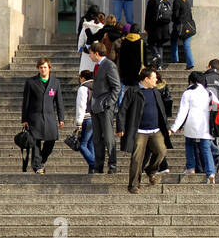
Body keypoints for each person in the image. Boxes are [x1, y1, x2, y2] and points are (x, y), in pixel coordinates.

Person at [117, 66, 170, 192]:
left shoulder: (155, 92)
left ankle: (151, 170)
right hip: (139, 130)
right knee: (137, 158)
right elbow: (122, 109)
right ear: (146, 79)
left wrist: (166, 127)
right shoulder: (133, 91)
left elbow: (162, 112)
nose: (156, 81)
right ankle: (134, 184)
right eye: (154, 78)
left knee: (161, 151)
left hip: (155, 130)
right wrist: (121, 127)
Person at [171, 70, 218, 184]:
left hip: (191, 124)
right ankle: (211, 173)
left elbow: (182, 113)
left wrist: (174, 127)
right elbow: (216, 108)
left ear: (191, 81)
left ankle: (191, 168)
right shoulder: (210, 92)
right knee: (206, 148)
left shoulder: (188, 93)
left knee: (189, 144)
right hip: (205, 125)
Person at [21, 58, 65, 175]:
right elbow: (26, 102)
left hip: (49, 117)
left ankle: (41, 161)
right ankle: (37, 166)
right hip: (35, 117)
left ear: (49, 68)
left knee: (51, 141)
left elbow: (59, 101)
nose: (43, 69)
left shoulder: (55, 82)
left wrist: (61, 118)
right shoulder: (31, 82)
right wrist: (24, 119)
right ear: (38, 69)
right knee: (35, 142)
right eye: (41, 67)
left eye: (45, 67)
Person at [88, 42, 121, 175]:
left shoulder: (109, 65)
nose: (89, 55)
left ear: (96, 53)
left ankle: (112, 165)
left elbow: (116, 87)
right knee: (97, 139)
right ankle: (98, 166)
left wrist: (109, 103)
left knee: (108, 138)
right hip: (95, 107)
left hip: (105, 107)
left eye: (90, 53)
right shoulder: (97, 66)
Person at [115, 24, 148, 102]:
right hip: (138, 71)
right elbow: (144, 58)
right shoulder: (141, 42)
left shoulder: (124, 42)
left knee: (124, 92)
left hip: (125, 71)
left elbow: (122, 57)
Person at [73, 68, 97, 172]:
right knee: (90, 143)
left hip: (87, 118)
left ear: (83, 78)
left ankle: (94, 164)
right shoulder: (97, 87)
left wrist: (79, 122)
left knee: (82, 145)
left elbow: (81, 106)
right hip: (96, 118)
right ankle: (92, 168)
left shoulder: (83, 88)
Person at [144, 0, 172, 66]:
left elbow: (148, 16)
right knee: (160, 45)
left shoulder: (152, 1)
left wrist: (146, 28)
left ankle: (156, 55)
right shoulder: (166, 2)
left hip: (154, 27)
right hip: (164, 28)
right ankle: (160, 65)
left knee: (150, 43)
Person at [170, 0, 195, 69]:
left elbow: (175, 15)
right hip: (188, 26)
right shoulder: (187, 2)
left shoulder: (177, 1)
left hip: (179, 27)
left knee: (173, 41)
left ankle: (175, 59)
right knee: (187, 45)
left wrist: (173, 19)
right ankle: (190, 63)